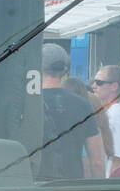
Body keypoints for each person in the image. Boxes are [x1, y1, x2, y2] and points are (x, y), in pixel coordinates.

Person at [39, 43, 104, 181]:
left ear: (38, 68)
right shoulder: (83, 105)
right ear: (64, 70)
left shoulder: (31, 105)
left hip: (37, 189)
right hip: (72, 189)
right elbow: (97, 162)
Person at [91, 64, 120, 175]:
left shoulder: (115, 115)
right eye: (94, 82)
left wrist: (107, 189)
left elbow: (118, 160)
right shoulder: (119, 111)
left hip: (116, 185)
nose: (93, 86)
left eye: (99, 82)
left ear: (114, 86)